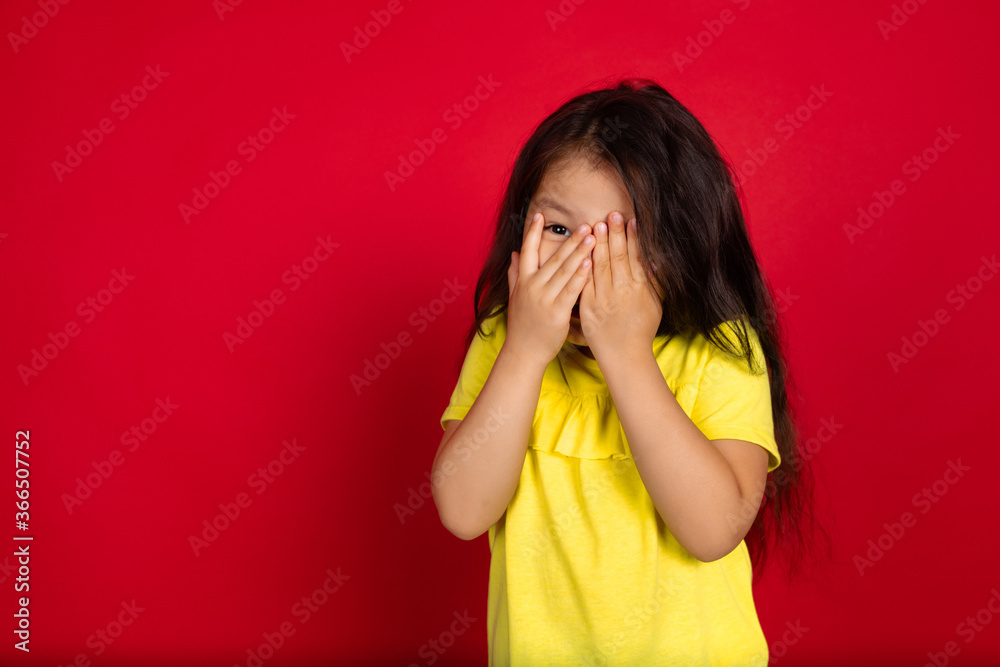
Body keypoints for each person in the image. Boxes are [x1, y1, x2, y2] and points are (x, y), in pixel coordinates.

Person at [432, 77, 830, 666]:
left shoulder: (719, 347)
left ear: (685, 246)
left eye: (619, 240)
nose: (581, 265)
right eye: (560, 230)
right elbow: (463, 512)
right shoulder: (506, 338)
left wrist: (626, 354)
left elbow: (713, 529)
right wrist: (523, 353)